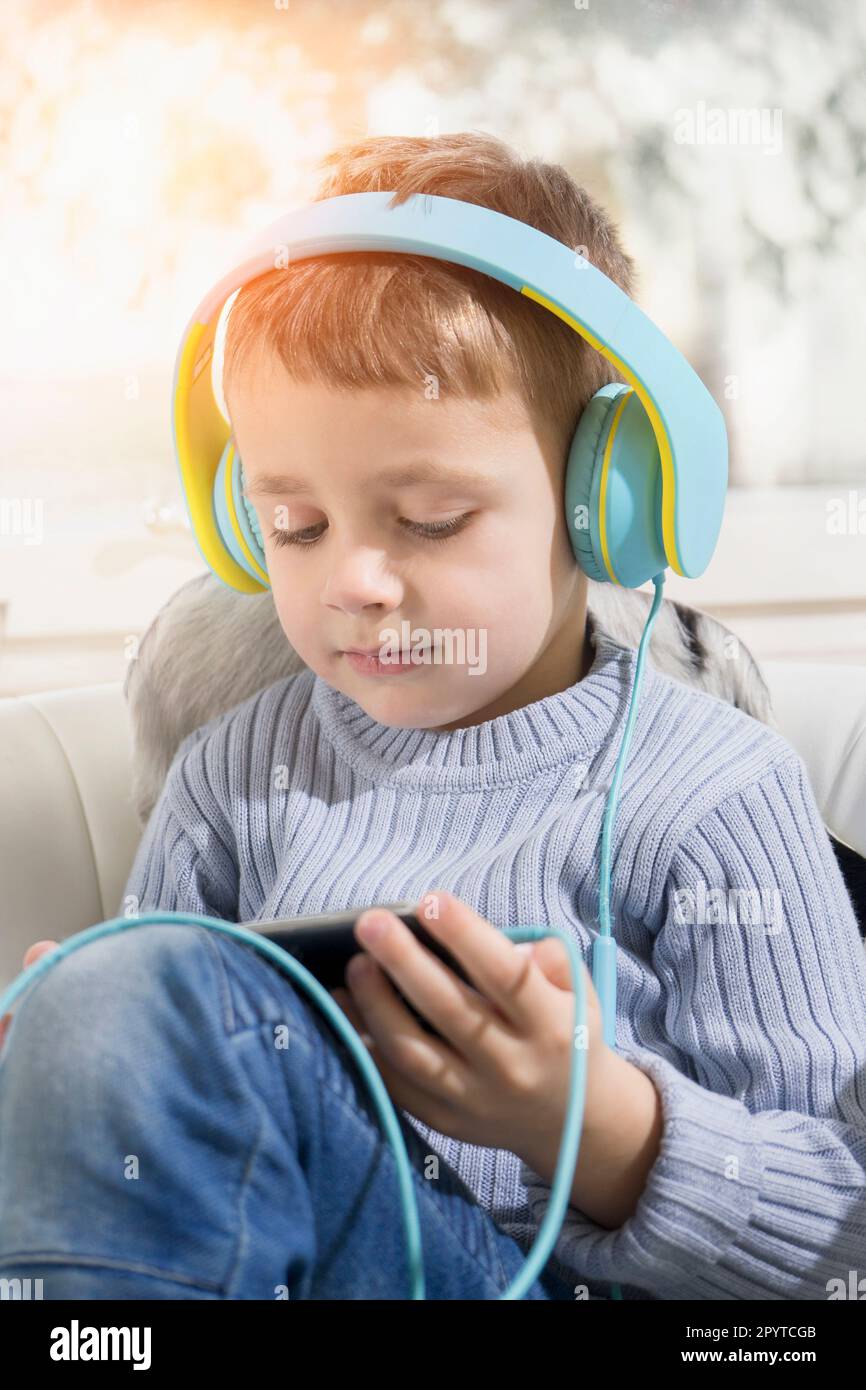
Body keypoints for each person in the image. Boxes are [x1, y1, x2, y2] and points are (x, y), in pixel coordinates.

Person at [1, 133, 864, 1301]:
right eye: (294, 526)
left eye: (429, 518)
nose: (352, 579)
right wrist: (82, 1058)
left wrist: (592, 1128)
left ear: (601, 501)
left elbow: (841, 1241)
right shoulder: (232, 776)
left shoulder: (715, 792)